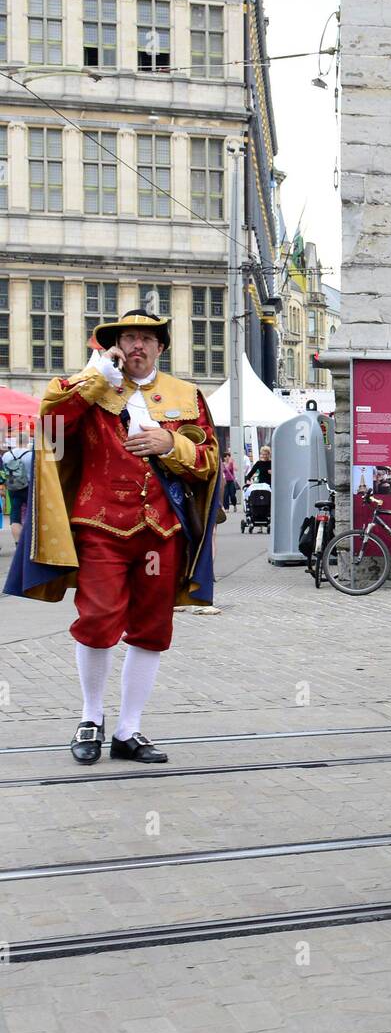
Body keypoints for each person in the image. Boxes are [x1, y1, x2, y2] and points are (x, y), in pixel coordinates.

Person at [3, 309, 220, 764]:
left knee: (152, 628)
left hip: (161, 531)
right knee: (98, 619)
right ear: (113, 345)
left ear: (161, 347)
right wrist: (96, 375)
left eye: (146, 339)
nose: (137, 346)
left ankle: (129, 729)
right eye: (128, 339)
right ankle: (90, 716)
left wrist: (171, 445)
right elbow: (52, 427)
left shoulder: (186, 395)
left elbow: (208, 461)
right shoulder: (88, 385)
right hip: (100, 525)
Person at [0, 440, 33, 547]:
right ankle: (30, 541)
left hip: (13, 487)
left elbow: (4, 471)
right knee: (31, 514)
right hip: (28, 486)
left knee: (15, 515)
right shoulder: (31, 454)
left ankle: (18, 544)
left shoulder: (6, 455)